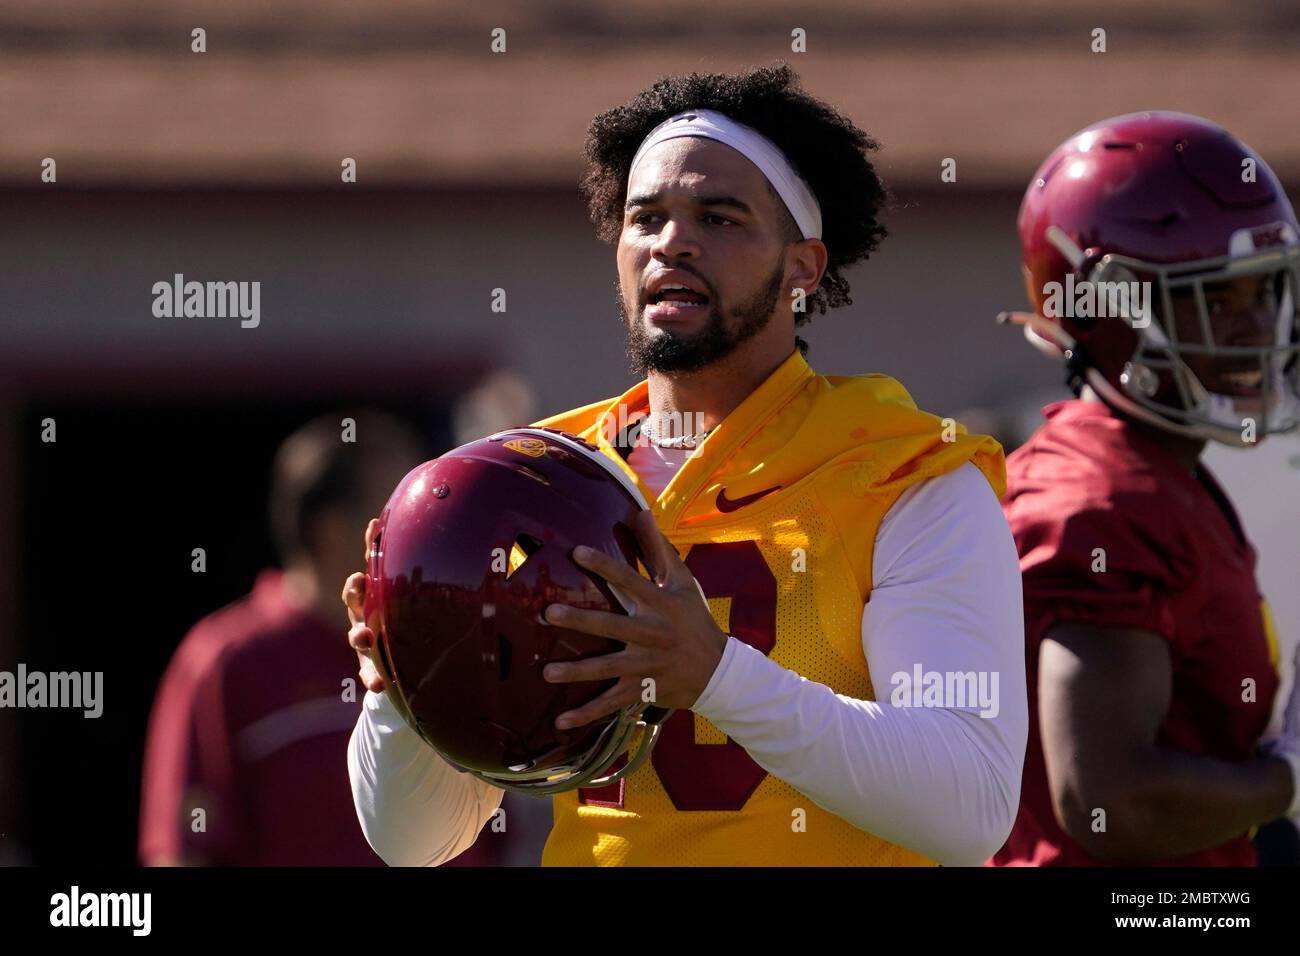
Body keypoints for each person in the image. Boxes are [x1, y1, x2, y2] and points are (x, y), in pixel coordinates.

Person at [346, 64, 1027, 867]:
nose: (673, 240)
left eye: (720, 216)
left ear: (804, 268)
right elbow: (414, 842)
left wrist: (715, 677)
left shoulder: (902, 474)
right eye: (646, 218)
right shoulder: (546, 478)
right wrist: (401, 694)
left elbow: (971, 804)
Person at [990, 112, 1300, 866]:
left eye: (1263, 294)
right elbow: (1110, 802)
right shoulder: (1099, 502)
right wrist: (1284, 781)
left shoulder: (1159, 464)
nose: (1255, 331)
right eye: (1215, 302)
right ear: (1109, 308)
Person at [140, 411, 435, 865]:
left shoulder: (443, 649)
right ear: (332, 530)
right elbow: (183, 852)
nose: (427, 535)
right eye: (403, 517)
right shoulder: (223, 660)